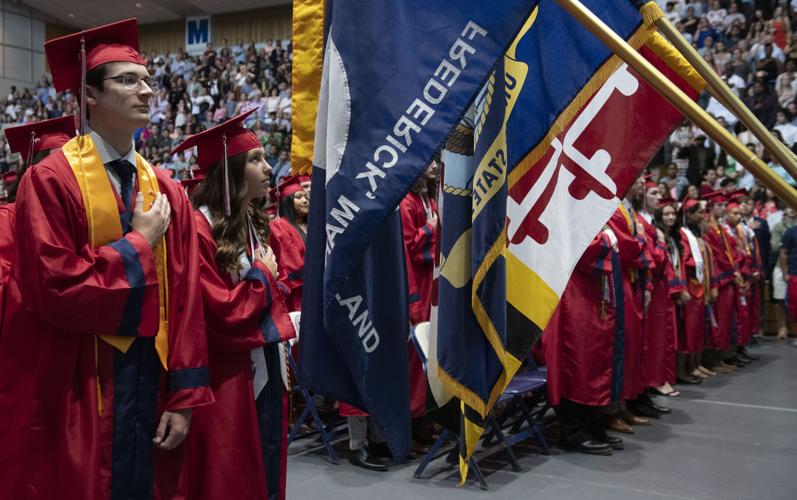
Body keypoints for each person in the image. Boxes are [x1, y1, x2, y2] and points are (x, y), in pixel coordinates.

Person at [0, 19, 214, 500]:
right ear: (88, 96)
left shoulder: (167, 190)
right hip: (79, 384)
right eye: (127, 80)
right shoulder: (50, 180)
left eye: (147, 81)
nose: (145, 91)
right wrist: (137, 245)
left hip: (150, 385)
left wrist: (183, 397)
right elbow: (54, 289)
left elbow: (183, 299)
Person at [169, 109, 295, 500]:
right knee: (231, 468)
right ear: (230, 170)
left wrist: (267, 279)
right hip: (225, 372)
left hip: (264, 360)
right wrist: (262, 277)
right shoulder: (199, 230)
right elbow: (217, 310)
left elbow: (279, 283)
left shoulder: (252, 225)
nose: (268, 167)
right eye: (256, 159)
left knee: (266, 455)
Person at [539, 229, 624, 455]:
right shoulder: (567, 212)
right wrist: (606, 238)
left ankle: (592, 426)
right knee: (575, 364)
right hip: (572, 296)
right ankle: (573, 432)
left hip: (589, 294)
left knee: (590, 363)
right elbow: (583, 248)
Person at [605, 176, 653, 433]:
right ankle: (614, 409)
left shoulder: (628, 208)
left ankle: (625, 404)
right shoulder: (613, 209)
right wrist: (644, 242)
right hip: (618, 280)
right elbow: (628, 246)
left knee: (632, 346)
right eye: (637, 180)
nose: (641, 185)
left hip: (631, 280)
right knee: (620, 346)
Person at [675, 199, 716, 383]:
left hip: (700, 287)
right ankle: (683, 369)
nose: (703, 216)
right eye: (700, 212)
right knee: (687, 331)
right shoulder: (684, 235)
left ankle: (694, 365)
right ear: (688, 214)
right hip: (690, 287)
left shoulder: (697, 234)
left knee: (697, 329)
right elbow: (685, 261)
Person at [269, 174, 308, 312]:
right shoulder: (280, 226)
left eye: (306, 197)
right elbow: (291, 263)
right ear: (287, 201)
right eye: (299, 197)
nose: (305, 200)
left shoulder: (311, 225)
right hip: (300, 294)